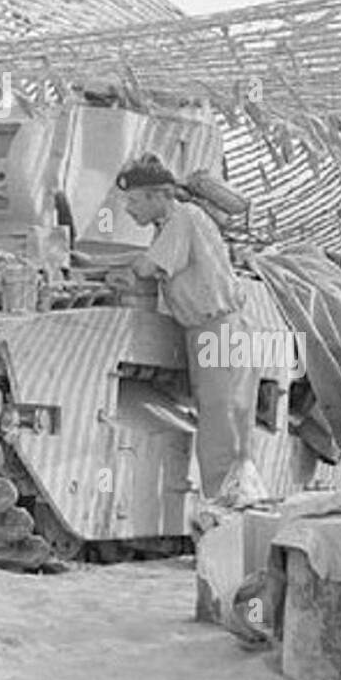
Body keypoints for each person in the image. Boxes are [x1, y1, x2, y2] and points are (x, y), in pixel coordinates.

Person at [113, 154, 263, 504]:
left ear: (159, 195)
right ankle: (238, 506)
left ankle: (226, 510)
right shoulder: (176, 222)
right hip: (220, 328)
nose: (130, 210)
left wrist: (126, 265)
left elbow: (150, 267)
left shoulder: (182, 217)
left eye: (134, 201)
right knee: (228, 423)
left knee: (219, 425)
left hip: (216, 330)